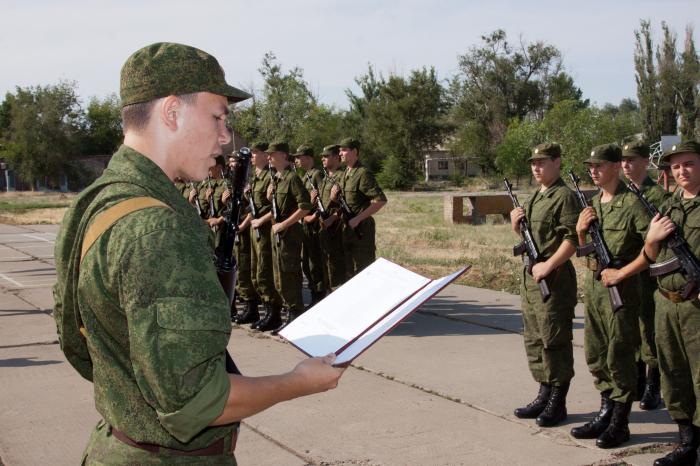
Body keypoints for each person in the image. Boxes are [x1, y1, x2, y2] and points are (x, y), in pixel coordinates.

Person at [52, 42, 344, 465]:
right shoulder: (157, 227)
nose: (226, 136)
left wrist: (134, 396)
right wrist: (297, 382)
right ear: (172, 112)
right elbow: (198, 403)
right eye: (218, 117)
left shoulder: (96, 202)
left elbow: (77, 344)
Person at [570, 143, 649, 449]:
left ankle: (620, 420)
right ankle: (605, 410)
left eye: (599, 166)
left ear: (616, 167)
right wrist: (579, 233)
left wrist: (623, 273)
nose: (593, 171)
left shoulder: (632, 204)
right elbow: (585, 253)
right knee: (596, 353)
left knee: (620, 356)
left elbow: (652, 249)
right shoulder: (593, 205)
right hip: (594, 290)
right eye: (591, 166)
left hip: (623, 291)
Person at [509, 142, 579, 428]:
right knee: (535, 339)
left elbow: (572, 239)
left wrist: (549, 266)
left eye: (543, 162)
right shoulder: (537, 196)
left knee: (555, 340)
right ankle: (543, 392)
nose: (536, 167)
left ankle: (557, 401)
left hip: (555, 279)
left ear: (557, 162)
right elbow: (531, 238)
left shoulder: (564, 196)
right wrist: (516, 226)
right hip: (531, 280)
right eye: (533, 163)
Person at [642, 141, 700, 466]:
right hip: (666, 304)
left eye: (688, 164)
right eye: (676, 166)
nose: (681, 171)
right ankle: (686, 443)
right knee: (673, 374)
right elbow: (650, 259)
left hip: (696, 309)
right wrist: (651, 237)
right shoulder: (668, 206)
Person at [621, 140, 669, 410]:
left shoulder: (658, 196)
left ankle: (654, 383)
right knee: (632, 328)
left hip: (650, 273)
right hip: (627, 271)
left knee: (650, 329)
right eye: (623, 160)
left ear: (645, 162)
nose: (626, 165)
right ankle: (638, 379)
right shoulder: (622, 193)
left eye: (632, 159)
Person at [266, 141, 312, 334]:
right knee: (279, 276)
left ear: (284, 156)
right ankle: (288, 313)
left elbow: (305, 206)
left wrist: (284, 224)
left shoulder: (292, 178)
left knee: (289, 273)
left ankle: (295, 315)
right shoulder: (276, 178)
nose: (268, 157)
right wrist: (270, 196)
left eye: (272, 154)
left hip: (289, 233)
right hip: (278, 233)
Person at [244, 141, 285, 329]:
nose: (253, 157)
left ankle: (273, 312)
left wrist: (261, 220)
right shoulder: (255, 177)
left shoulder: (271, 176)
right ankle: (267, 310)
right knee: (255, 271)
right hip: (255, 228)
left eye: (255, 153)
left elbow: (275, 208)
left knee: (265, 271)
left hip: (266, 229)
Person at [331, 137, 387, 277]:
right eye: (339, 151)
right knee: (349, 272)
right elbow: (346, 202)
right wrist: (333, 198)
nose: (340, 154)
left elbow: (380, 200)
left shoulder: (362, 173)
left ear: (354, 151)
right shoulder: (345, 174)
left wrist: (358, 219)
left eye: (344, 150)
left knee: (364, 273)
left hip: (361, 231)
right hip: (347, 230)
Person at [293, 144, 329, 306]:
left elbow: (323, 201)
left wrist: (313, 216)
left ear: (308, 157)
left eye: (299, 157)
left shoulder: (316, 175)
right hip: (306, 225)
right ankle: (315, 291)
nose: (297, 160)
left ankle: (319, 295)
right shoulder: (304, 176)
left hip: (315, 225)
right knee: (307, 262)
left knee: (315, 262)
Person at [316, 144, 348, 289]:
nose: (323, 159)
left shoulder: (342, 177)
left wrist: (333, 218)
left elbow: (347, 204)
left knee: (337, 267)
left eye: (326, 156)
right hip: (324, 229)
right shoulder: (324, 179)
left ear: (336, 157)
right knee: (325, 265)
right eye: (322, 156)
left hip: (336, 229)